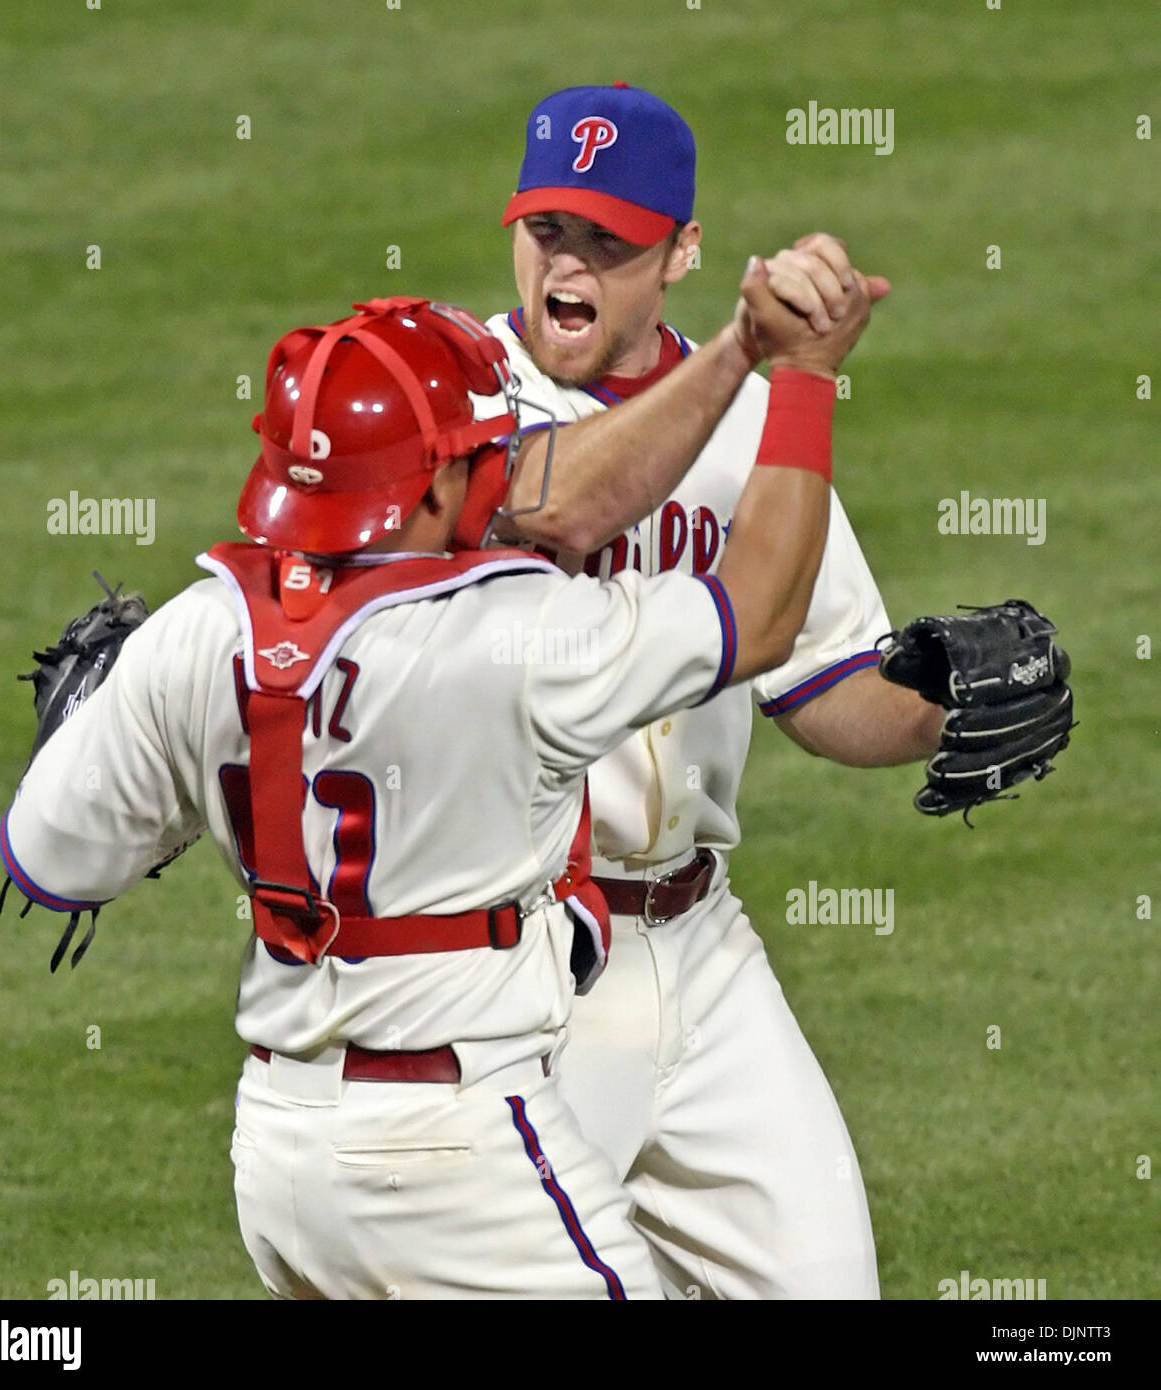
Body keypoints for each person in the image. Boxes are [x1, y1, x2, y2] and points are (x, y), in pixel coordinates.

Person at [0, 275, 878, 1299]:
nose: (495, 475)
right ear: (424, 488)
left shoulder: (197, 632)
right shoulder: (511, 635)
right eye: (475, 457)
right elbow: (761, 615)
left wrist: (161, 760)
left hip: (281, 1156)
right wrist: (806, 376)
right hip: (454, 1156)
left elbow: (49, 861)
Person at [475, 82, 945, 1299]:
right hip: (519, 963)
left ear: (682, 252)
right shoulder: (455, 397)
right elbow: (560, 506)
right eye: (548, 231)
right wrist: (765, 356)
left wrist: (943, 711)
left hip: (699, 940)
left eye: (609, 243)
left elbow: (824, 676)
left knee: (826, 1280)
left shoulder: (756, 419)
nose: (567, 265)